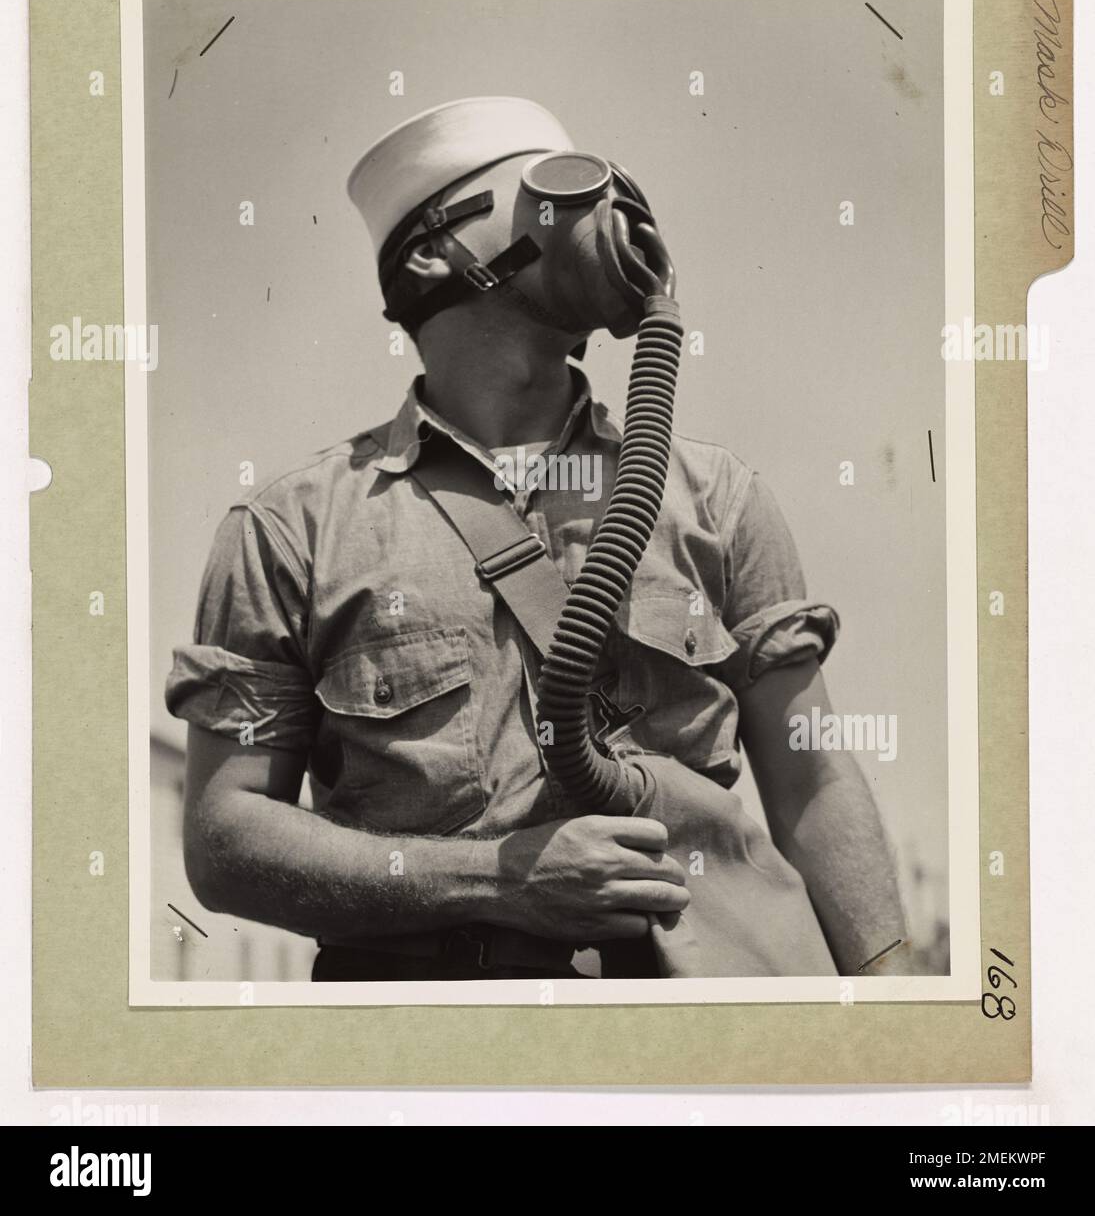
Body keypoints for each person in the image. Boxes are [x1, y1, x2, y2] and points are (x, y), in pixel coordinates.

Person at [167, 96, 906, 981]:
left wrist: (892, 1007)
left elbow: (813, 784)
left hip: (696, 1035)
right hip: (427, 1048)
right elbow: (225, 840)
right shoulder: (294, 530)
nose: (602, 214)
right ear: (441, 248)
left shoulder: (716, 497)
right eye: (550, 190)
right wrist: (497, 882)